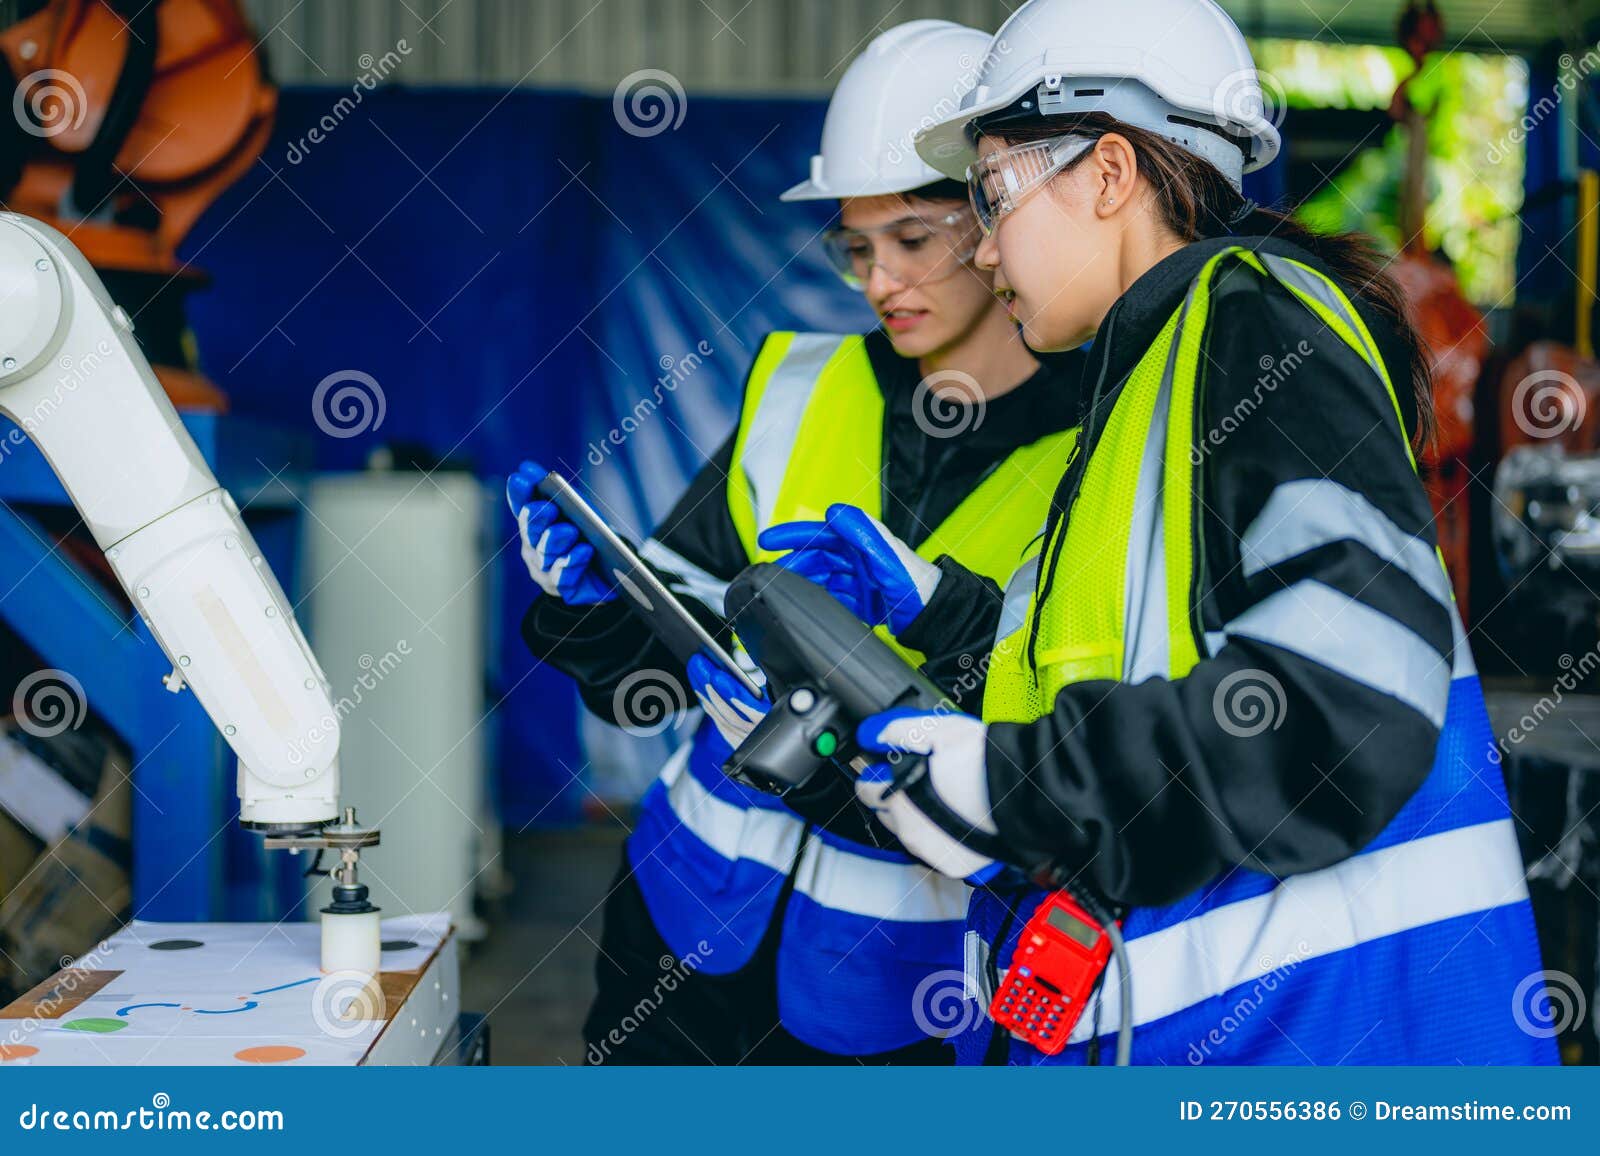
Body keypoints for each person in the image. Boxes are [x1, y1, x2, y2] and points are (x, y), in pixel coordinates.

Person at [761, 0, 1555, 1065]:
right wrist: (951, 621)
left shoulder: (1250, 324)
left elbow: (1348, 689)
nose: (984, 249)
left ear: (1108, 174)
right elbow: (1152, 659)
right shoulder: (1148, 377)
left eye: (992, 197)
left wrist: (1018, 784)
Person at [511, 20, 1087, 1064]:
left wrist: (951, 623)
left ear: (998, 219)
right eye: (856, 247)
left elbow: (1066, 736)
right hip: (680, 929)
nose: (878, 281)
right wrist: (597, 609)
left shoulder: (1097, 446)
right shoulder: (796, 385)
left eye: (912, 239)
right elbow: (663, 658)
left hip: (893, 980)